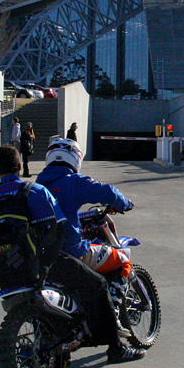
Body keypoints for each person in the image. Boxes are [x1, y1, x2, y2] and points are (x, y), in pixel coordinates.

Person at [0, 146, 144, 364]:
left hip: (12, 270)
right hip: (47, 263)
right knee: (98, 285)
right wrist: (45, 263)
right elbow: (59, 229)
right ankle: (116, 349)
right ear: (21, 165)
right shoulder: (34, 191)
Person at [36, 138, 137, 333]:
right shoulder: (73, 181)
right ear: (75, 158)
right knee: (122, 260)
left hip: (44, 255)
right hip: (72, 252)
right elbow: (107, 192)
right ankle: (113, 315)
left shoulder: (38, 185)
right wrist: (124, 203)